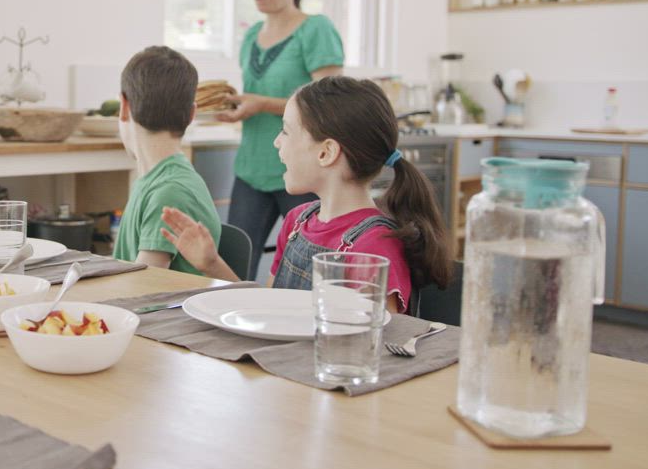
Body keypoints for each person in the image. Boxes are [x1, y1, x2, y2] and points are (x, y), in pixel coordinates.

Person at [162, 76, 452, 313]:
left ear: (326, 152)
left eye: (285, 132)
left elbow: (371, 348)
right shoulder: (297, 221)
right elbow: (269, 311)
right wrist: (212, 263)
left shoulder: (374, 248)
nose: (277, 143)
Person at [220, 0, 344, 276]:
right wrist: (239, 105)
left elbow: (331, 101)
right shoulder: (249, 37)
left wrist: (261, 103)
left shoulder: (316, 29)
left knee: (303, 271)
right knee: (232, 267)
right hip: (251, 168)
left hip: (303, 171)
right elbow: (256, 95)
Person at [112, 46, 221, 276]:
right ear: (192, 114)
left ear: (124, 106)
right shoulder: (159, 181)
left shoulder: (168, 193)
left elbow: (142, 289)